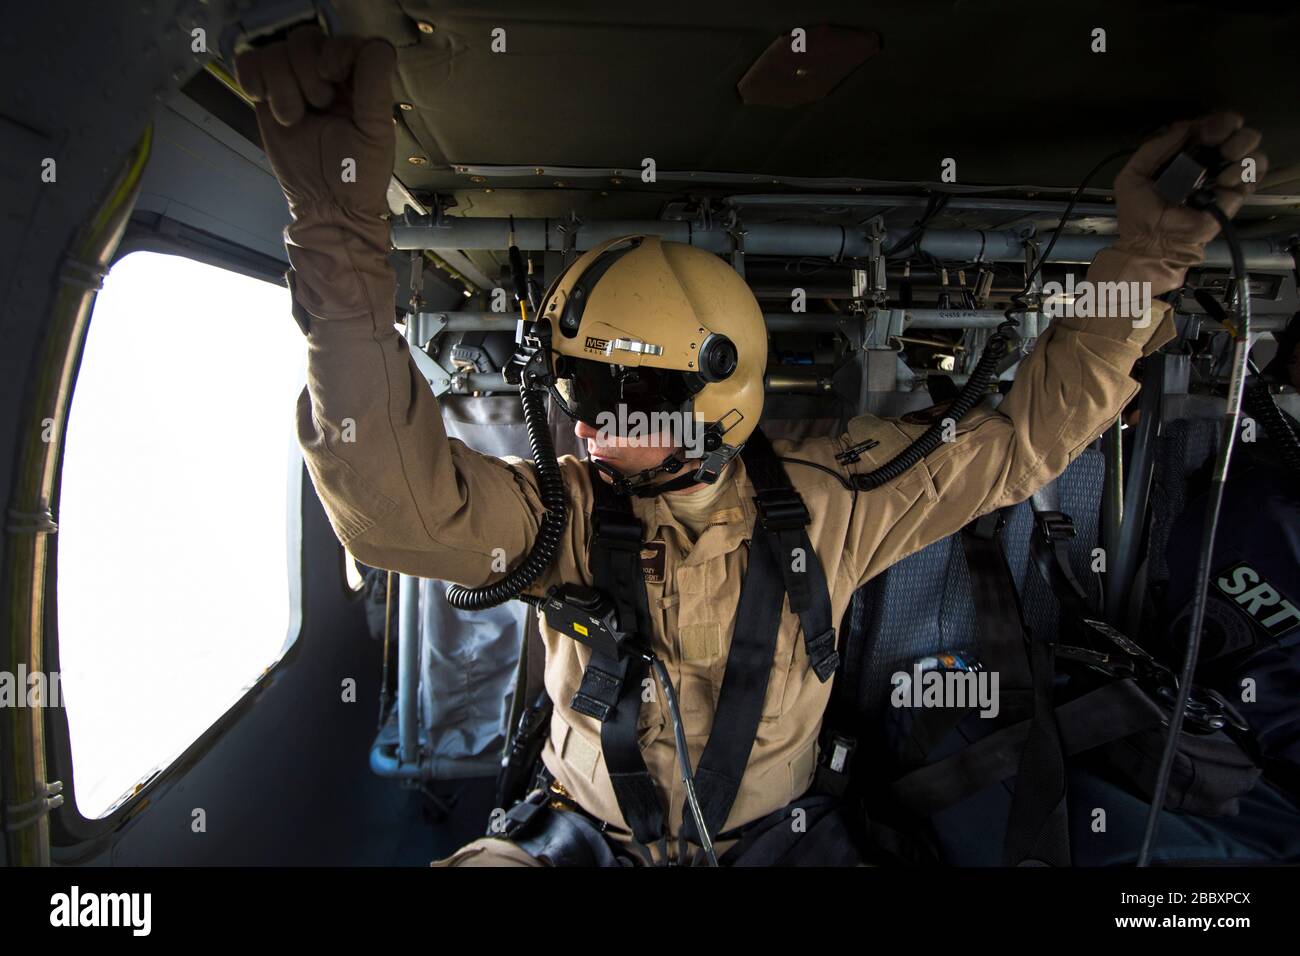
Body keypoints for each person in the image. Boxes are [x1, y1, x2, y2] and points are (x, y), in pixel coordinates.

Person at [234, 26, 1265, 865]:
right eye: (579, 381)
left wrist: (1152, 250)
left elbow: (1029, 434)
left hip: (783, 839)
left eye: (630, 389)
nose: (593, 416)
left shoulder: (834, 494)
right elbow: (391, 506)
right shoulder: (563, 512)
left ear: (716, 395)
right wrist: (334, 224)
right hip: (575, 837)